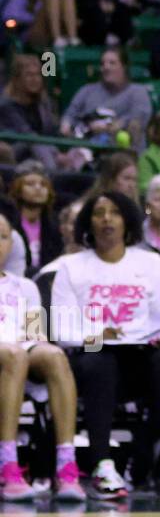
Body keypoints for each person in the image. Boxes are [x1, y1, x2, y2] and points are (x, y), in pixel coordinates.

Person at [51, 191, 160, 500]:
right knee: (100, 361)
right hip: (89, 351)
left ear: (128, 220)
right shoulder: (70, 266)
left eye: (115, 212)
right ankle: (103, 465)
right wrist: (99, 336)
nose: (107, 219)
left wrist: (159, 337)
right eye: (99, 213)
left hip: (137, 352)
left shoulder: (150, 262)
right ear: (88, 223)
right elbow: (62, 330)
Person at [0, 212, 84, 501]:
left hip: (17, 350)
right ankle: (7, 463)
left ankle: (66, 465)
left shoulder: (25, 286)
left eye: (3, 237)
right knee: (14, 355)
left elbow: (35, 335)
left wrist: (36, 341)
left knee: (54, 355)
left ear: (12, 244)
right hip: (8, 352)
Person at [59, 47, 152, 152]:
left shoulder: (138, 91)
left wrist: (110, 127)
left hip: (124, 152)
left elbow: (139, 119)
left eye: (112, 63)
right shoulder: (87, 90)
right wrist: (66, 124)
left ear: (124, 67)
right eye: (103, 64)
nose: (106, 67)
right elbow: (70, 114)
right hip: (87, 149)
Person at [0, 54, 67, 172]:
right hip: (15, 152)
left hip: (44, 151)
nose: (35, 79)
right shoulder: (6, 105)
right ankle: (53, 178)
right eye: (29, 75)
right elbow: (27, 135)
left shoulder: (44, 103)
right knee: (36, 144)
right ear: (17, 79)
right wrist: (56, 152)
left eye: (38, 75)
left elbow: (53, 131)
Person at [9, 160, 61, 274]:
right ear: (18, 189)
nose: (38, 188)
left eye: (43, 184)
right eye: (30, 184)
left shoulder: (55, 224)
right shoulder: (8, 222)